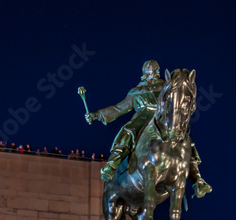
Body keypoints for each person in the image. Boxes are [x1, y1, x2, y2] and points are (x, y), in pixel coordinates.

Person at [86, 60, 210, 195]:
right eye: (153, 70)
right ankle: (112, 164)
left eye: (157, 70)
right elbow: (118, 108)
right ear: (145, 72)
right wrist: (96, 115)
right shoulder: (136, 92)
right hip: (142, 118)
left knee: (184, 138)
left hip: (162, 118)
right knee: (127, 132)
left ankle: (197, 179)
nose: (156, 73)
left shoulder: (165, 86)